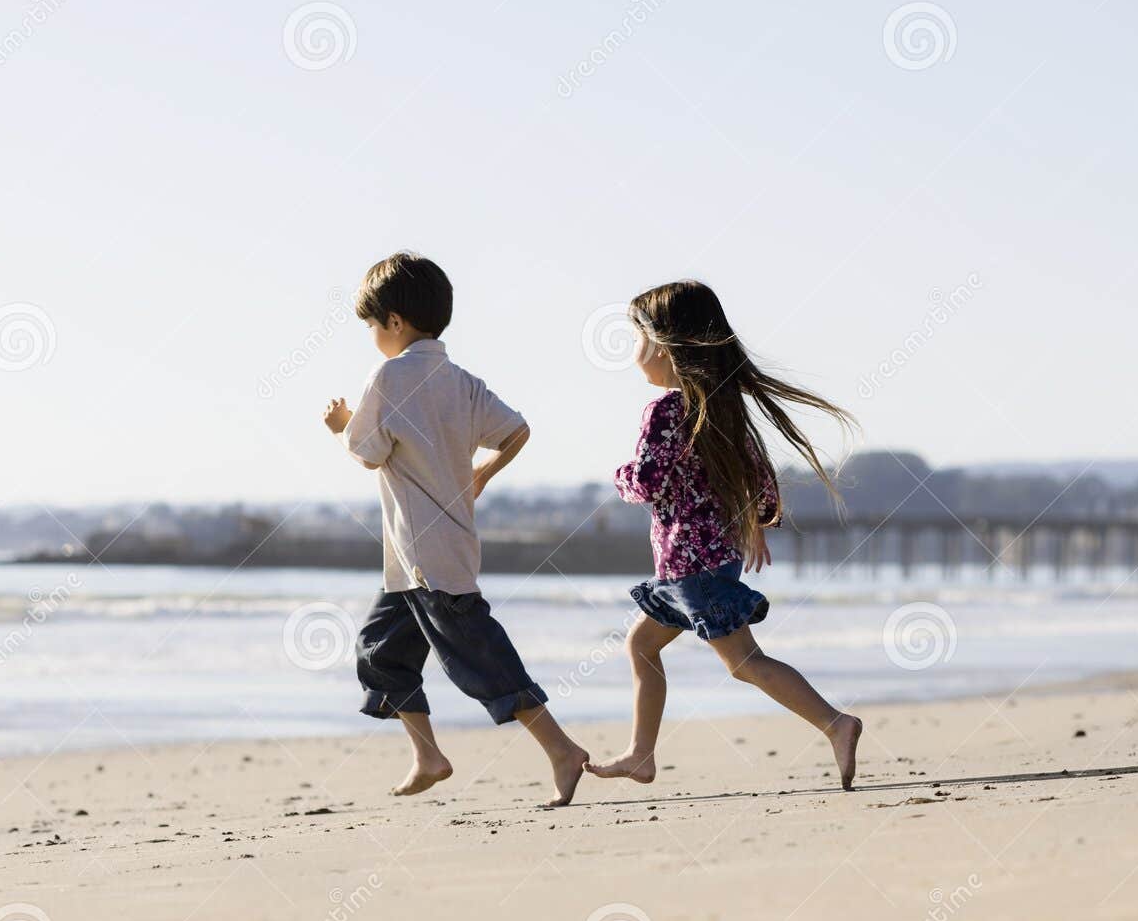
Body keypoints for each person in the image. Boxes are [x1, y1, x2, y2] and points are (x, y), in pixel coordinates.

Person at [322, 252, 590, 806]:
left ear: (395, 322)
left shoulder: (390, 375)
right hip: (420, 556)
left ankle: (562, 749)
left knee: (481, 659)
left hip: (427, 558)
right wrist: (482, 474)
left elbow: (369, 454)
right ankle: (428, 756)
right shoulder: (461, 380)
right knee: (380, 651)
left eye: (372, 324)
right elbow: (516, 431)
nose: (371, 335)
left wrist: (341, 426)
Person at [586, 280, 865, 790]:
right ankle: (640, 755)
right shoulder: (720, 407)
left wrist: (618, 475)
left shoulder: (668, 410)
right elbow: (761, 483)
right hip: (693, 569)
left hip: (691, 570)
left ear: (666, 346)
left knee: (744, 662)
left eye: (636, 338)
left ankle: (836, 723)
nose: (633, 353)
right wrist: (755, 523)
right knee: (642, 646)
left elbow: (648, 481)